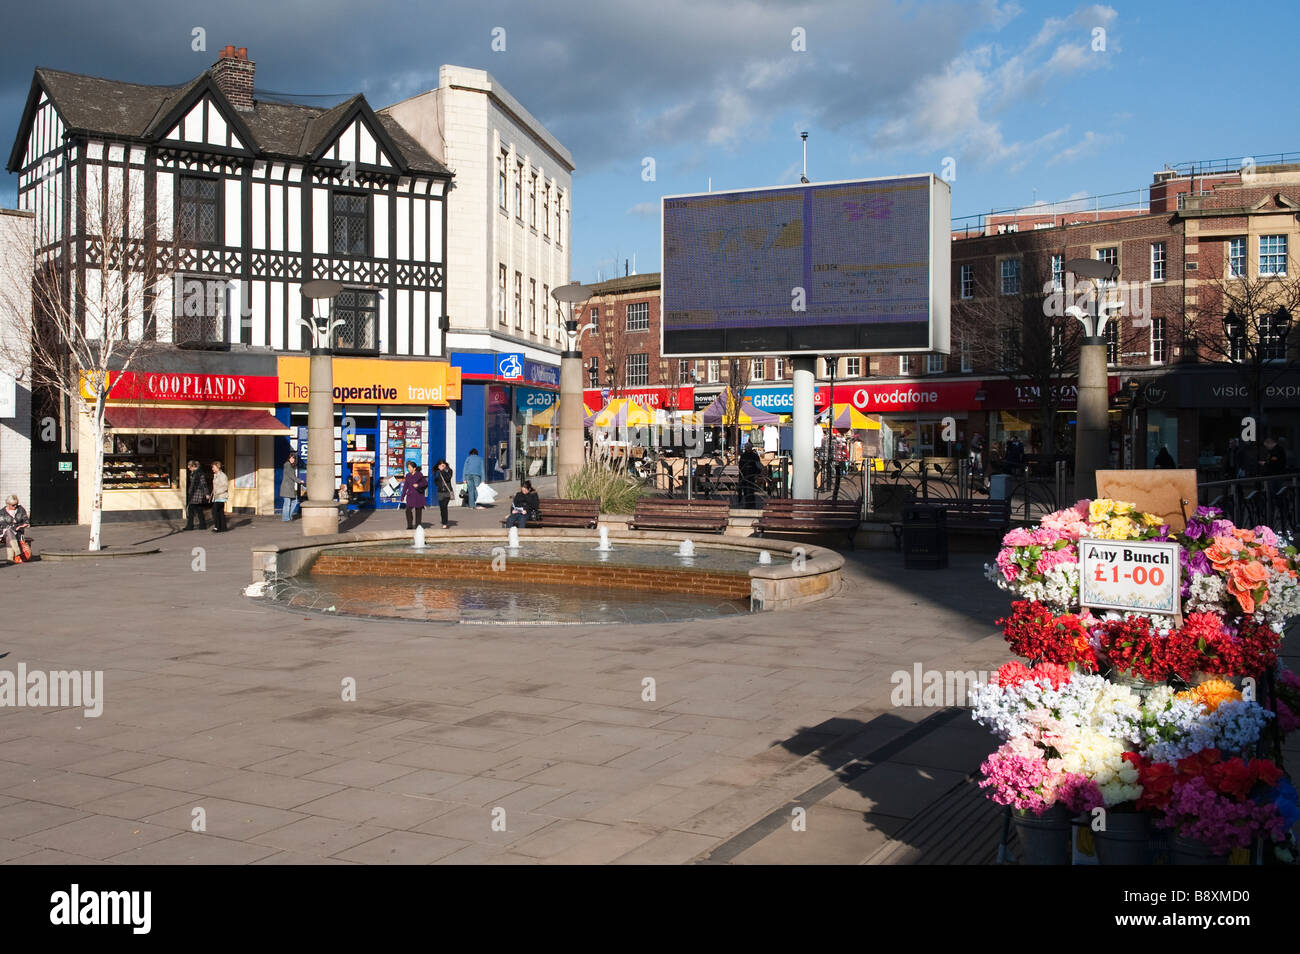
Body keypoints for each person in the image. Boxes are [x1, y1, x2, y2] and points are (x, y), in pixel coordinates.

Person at [0, 495, 30, 564]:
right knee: (8, 531)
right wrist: (14, 527)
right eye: (13, 505)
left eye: (16, 504)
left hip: (18, 532)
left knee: (9, 536)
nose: (15, 506)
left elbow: (26, 521)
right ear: (8, 504)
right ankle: (17, 551)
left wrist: (22, 526)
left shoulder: (20, 509)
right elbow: (3, 525)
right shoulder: (2, 512)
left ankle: (10, 559)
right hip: (5, 532)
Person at [401, 460, 429, 530]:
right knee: (408, 510)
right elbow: (405, 486)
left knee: (418, 511)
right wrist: (403, 495)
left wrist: (418, 485)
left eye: (410, 467)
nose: (409, 469)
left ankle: (418, 526)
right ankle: (409, 525)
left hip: (418, 495)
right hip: (410, 495)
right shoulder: (407, 475)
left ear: (414, 468)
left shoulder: (419, 475)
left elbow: (425, 483)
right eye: (408, 468)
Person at [184, 460, 210, 531]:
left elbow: (204, 484)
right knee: (199, 509)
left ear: (193, 466)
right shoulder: (194, 473)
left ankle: (190, 526)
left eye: (189, 467)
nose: (189, 469)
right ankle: (202, 525)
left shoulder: (198, 473)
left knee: (191, 509)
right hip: (195, 493)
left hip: (196, 493)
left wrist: (207, 493)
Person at [280, 452, 304, 521]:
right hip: (286, 487)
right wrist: (299, 481)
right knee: (287, 503)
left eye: (293, 458)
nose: (292, 459)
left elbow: (292, 476)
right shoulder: (287, 465)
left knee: (294, 501)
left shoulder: (291, 466)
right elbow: (291, 475)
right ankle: (285, 518)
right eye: (291, 458)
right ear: (289, 458)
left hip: (290, 487)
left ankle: (288, 516)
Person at [432, 459, 455, 529]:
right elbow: (435, 480)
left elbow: (448, 478)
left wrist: (443, 470)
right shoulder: (437, 472)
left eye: (443, 465)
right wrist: (439, 472)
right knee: (442, 508)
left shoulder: (449, 470)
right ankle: (443, 521)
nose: (442, 466)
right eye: (440, 465)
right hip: (440, 492)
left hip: (447, 492)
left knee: (444, 506)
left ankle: (445, 523)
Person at [739, 442, 762, 509]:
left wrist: (757, 474)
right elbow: (740, 466)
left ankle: (751, 504)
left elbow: (758, 466)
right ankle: (747, 504)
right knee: (746, 490)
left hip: (752, 475)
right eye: (747, 447)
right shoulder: (743, 456)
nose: (748, 449)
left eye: (749, 447)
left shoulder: (755, 456)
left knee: (751, 490)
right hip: (745, 475)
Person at [210, 460, 229, 532]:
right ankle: (223, 527)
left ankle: (217, 527)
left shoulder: (222, 475)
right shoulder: (216, 475)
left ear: (218, 467)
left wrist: (217, 492)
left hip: (221, 496)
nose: (212, 469)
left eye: (213, 467)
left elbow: (225, 486)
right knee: (220, 512)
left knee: (214, 511)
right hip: (217, 496)